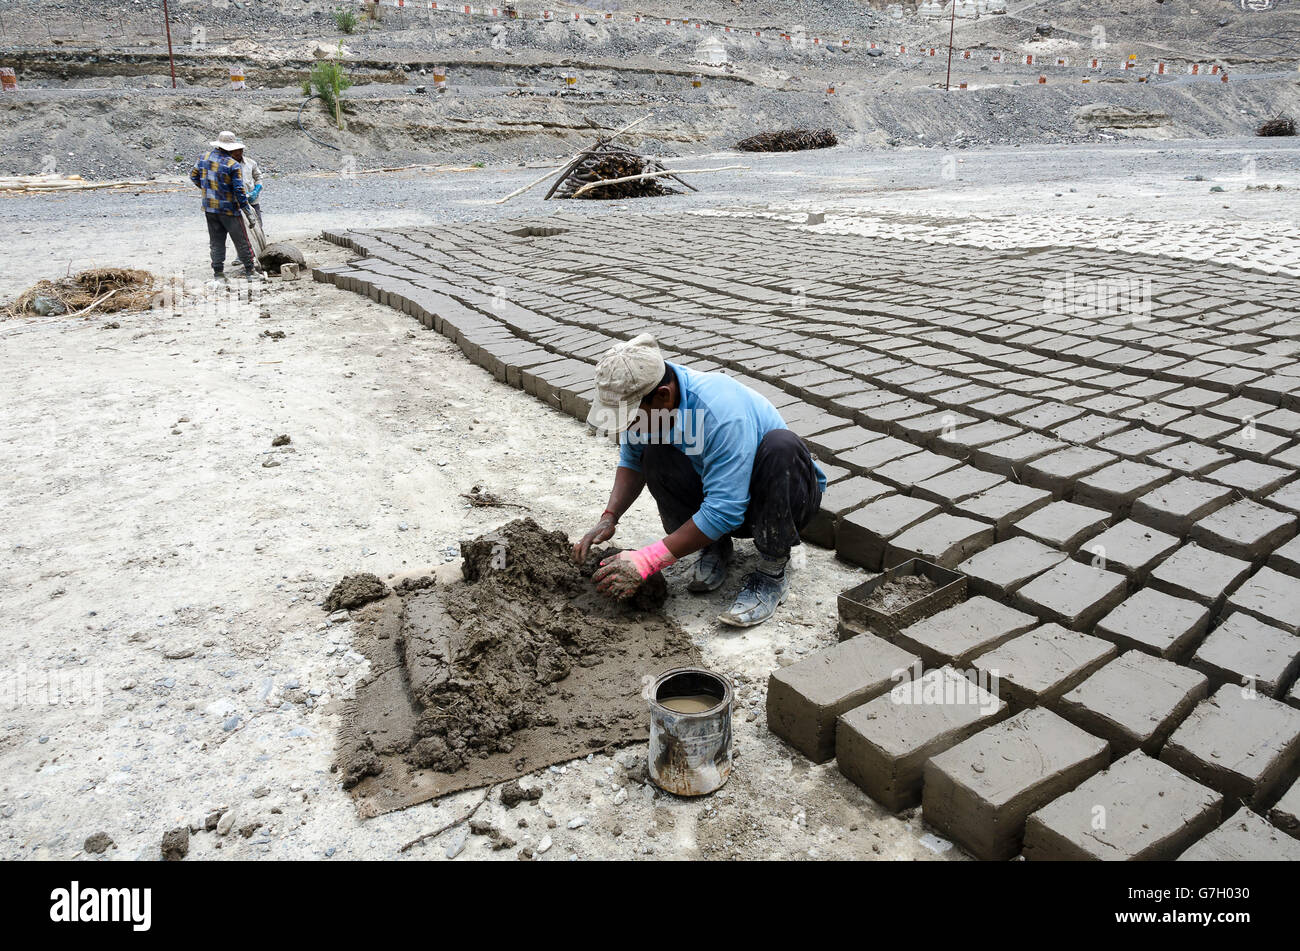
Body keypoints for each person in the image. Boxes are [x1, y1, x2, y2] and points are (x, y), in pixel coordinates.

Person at [573, 334, 825, 627]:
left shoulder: (719, 412)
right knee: (654, 454)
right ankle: (713, 545)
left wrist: (648, 559)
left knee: (781, 446)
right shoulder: (651, 408)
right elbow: (632, 461)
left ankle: (771, 570)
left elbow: (725, 509)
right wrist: (609, 516)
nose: (629, 424)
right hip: (722, 497)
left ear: (664, 396)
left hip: (775, 501)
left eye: (631, 415)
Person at [189, 130, 262, 280]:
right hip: (229, 210)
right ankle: (250, 271)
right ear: (231, 147)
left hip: (210, 208)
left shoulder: (203, 158)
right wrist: (247, 211)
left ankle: (218, 273)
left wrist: (208, 190)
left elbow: (193, 176)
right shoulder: (232, 164)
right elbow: (239, 191)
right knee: (241, 240)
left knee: (216, 242)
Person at [242, 153, 265, 228]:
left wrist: (256, 191)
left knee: (258, 225)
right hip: (237, 202)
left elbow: (259, 177)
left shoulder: (251, 163)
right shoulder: (227, 165)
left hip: (252, 200)